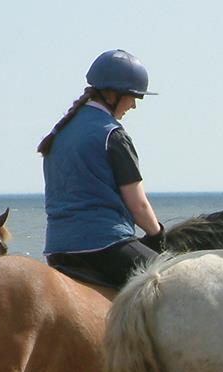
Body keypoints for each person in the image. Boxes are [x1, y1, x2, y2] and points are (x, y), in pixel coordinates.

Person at [38, 49, 165, 288]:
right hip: (104, 246)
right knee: (176, 281)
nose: (134, 106)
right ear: (111, 94)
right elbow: (138, 205)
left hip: (57, 249)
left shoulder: (59, 134)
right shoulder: (112, 134)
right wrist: (158, 234)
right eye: (133, 97)